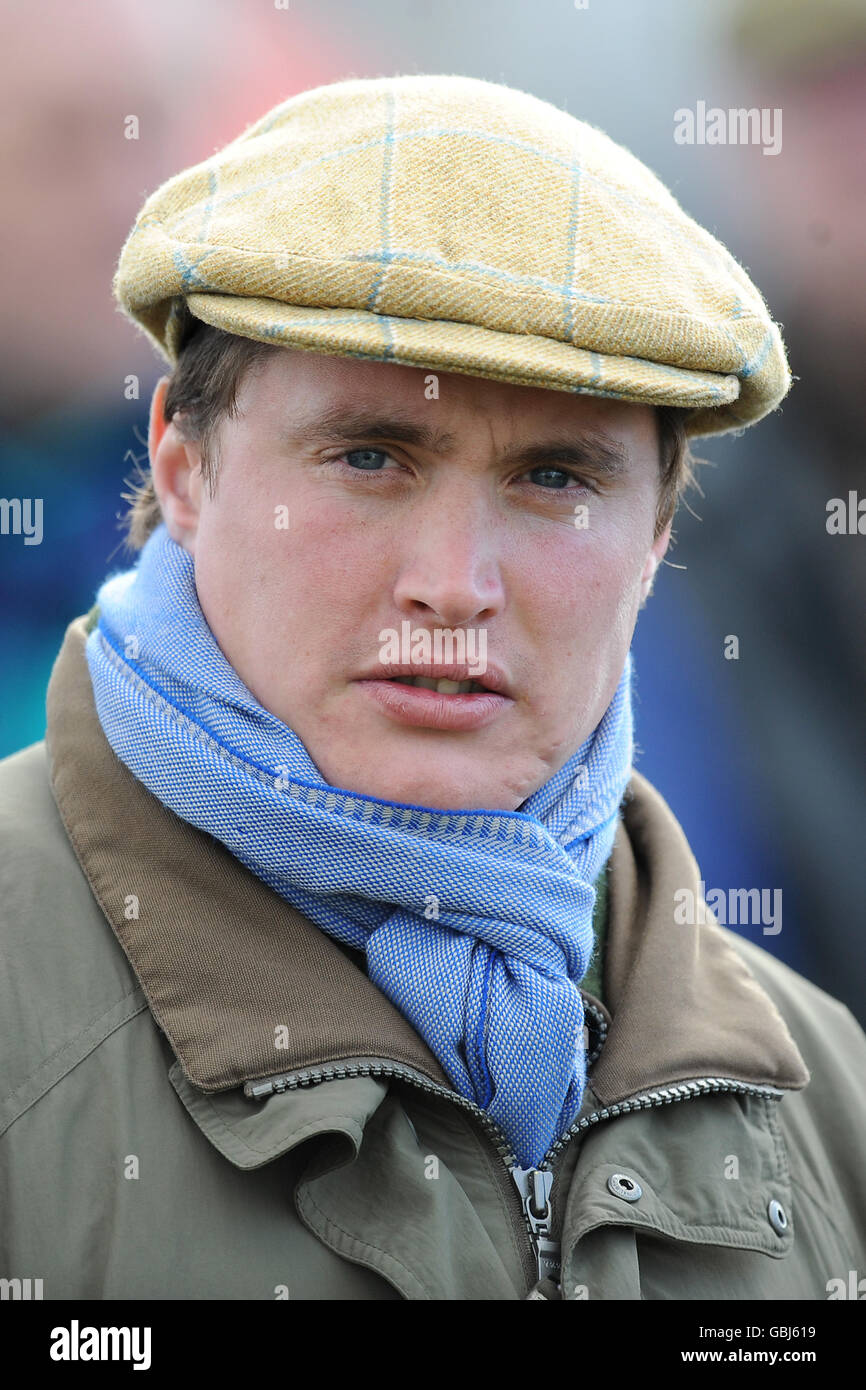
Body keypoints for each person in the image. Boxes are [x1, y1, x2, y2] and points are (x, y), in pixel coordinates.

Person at [1, 73, 863, 1303]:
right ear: (184, 472)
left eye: (555, 478)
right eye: (368, 456)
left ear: (656, 539)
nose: (453, 585)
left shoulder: (824, 1101)